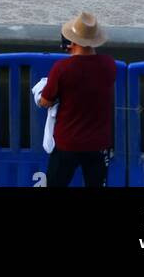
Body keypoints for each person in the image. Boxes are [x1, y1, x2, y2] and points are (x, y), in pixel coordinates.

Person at [36, 10, 116, 188]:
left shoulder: (62, 68)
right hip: (99, 144)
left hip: (67, 143)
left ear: (72, 42)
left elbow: (45, 101)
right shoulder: (109, 65)